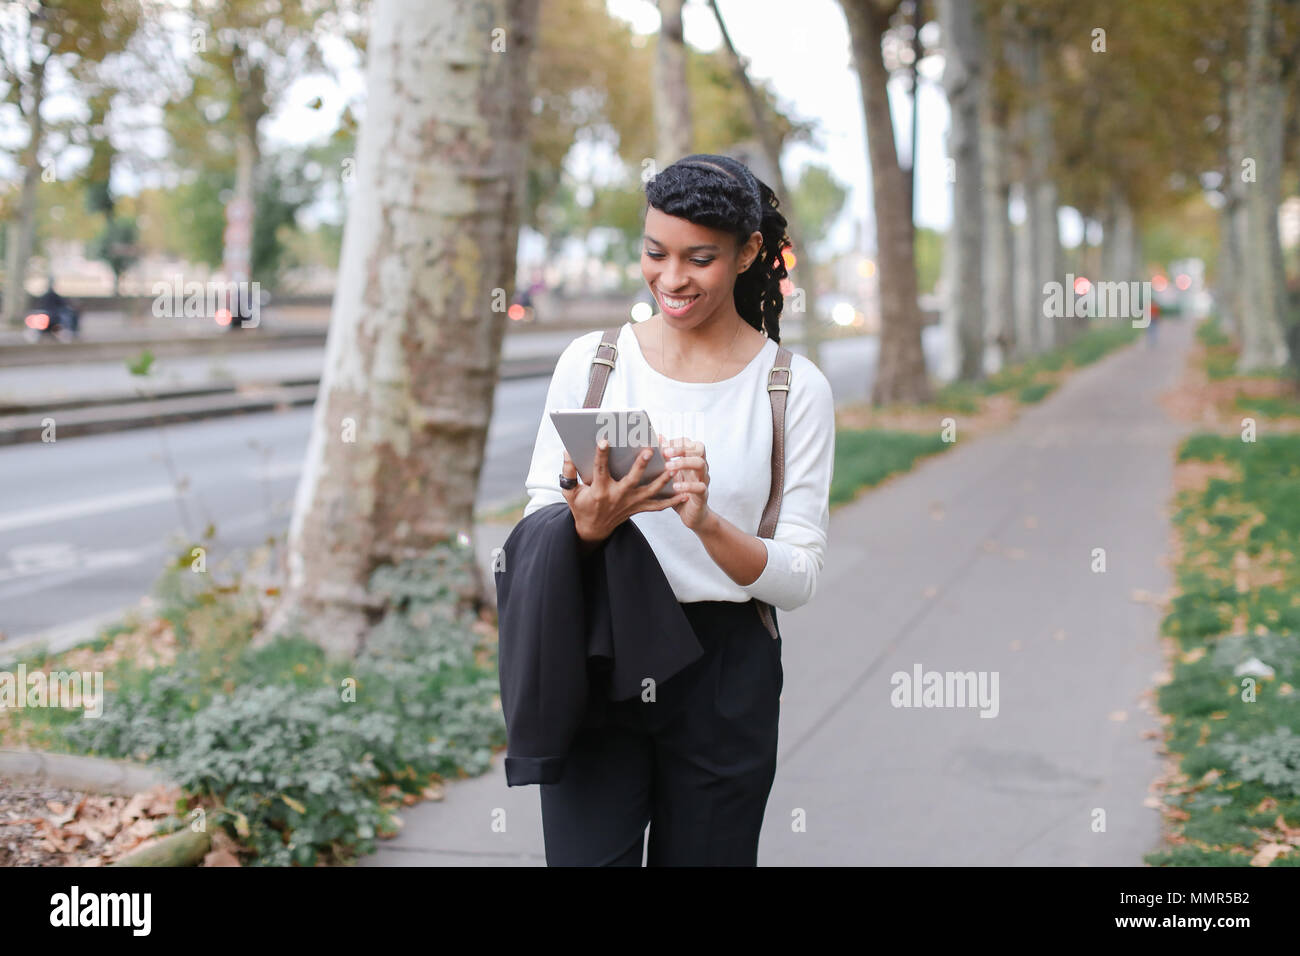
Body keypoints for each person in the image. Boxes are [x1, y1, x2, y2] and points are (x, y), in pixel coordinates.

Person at [519, 154, 836, 865]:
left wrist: (706, 522)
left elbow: (801, 576)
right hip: (600, 648)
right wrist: (590, 521)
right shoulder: (595, 363)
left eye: (700, 259)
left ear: (749, 251)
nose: (671, 279)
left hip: (726, 670)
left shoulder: (791, 388)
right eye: (654, 253)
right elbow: (538, 517)